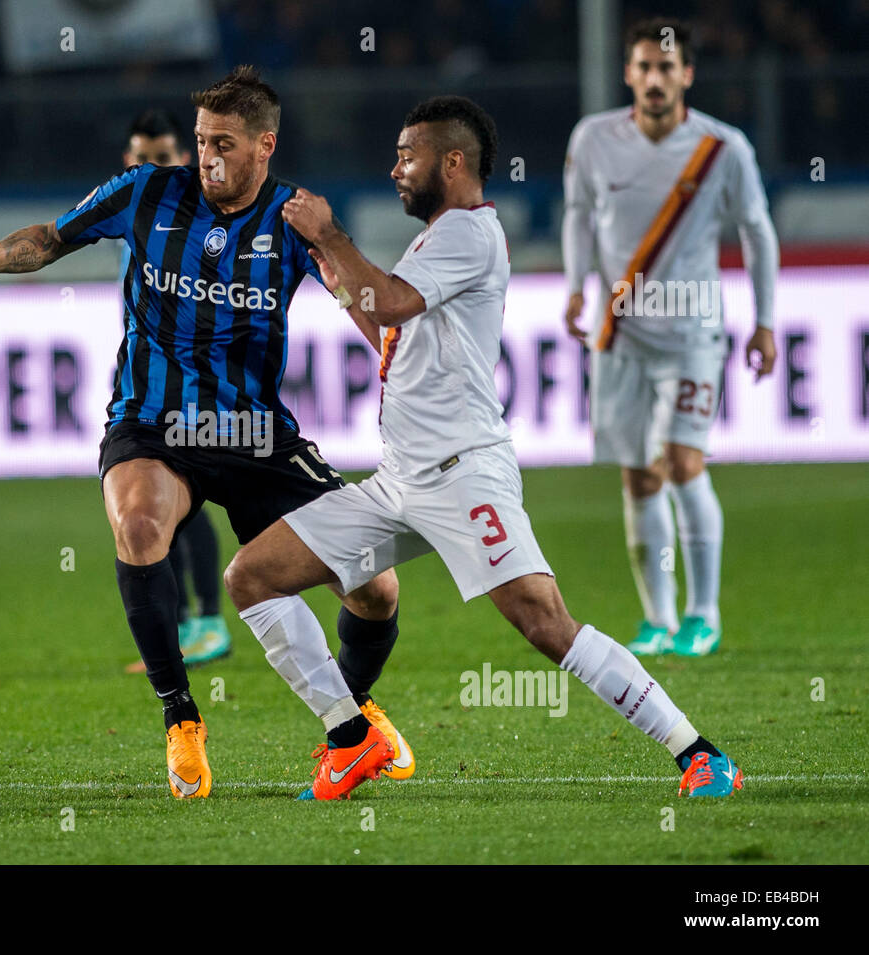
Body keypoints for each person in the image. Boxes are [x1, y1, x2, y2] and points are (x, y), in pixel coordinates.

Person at [224, 94, 744, 802]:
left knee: (543, 621)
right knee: (252, 575)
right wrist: (334, 270)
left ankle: (699, 752)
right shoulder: (434, 239)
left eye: (407, 156)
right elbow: (391, 331)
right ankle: (350, 737)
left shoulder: (469, 231)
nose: (395, 169)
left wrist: (332, 232)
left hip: (463, 474)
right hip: (399, 479)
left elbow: (397, 302)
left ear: (454, 161)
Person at [0, 66, 407, 799]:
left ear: (265, 145)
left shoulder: (295, 220)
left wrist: (395, 358)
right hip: (152, 421)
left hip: (254, 432)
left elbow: (362, 303)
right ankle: (181, 719)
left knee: (374, 587)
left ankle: (351, 711)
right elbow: (51, 237)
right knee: (140, 524)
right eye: (201, 141)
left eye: (224, 144)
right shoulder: (148, 190)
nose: (205, 158)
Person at [562, 17, 779, 657]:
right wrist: (577, 287)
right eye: (644, 68)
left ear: (687, 74)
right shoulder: (594, 139)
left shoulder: (722, 147)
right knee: (638, 477)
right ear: (629, 73)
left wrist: (765, 320)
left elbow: (758, 231)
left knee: (683, 463)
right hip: (622, 334)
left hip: (693, 334)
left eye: (667, 68)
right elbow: (577, 216)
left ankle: (703, 613)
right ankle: (657, 619)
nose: (655, 79)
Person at [117, 108, 232, 671]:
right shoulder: (133, 210)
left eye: (163, 159)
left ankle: (207, 622)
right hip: (150, 389)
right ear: (128, 163)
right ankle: (194, 622)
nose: (151, 168)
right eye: (142, 159)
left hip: (192, 392)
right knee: (169, 513)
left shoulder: (196, 223)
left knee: (185, 509)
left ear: (184, 161)